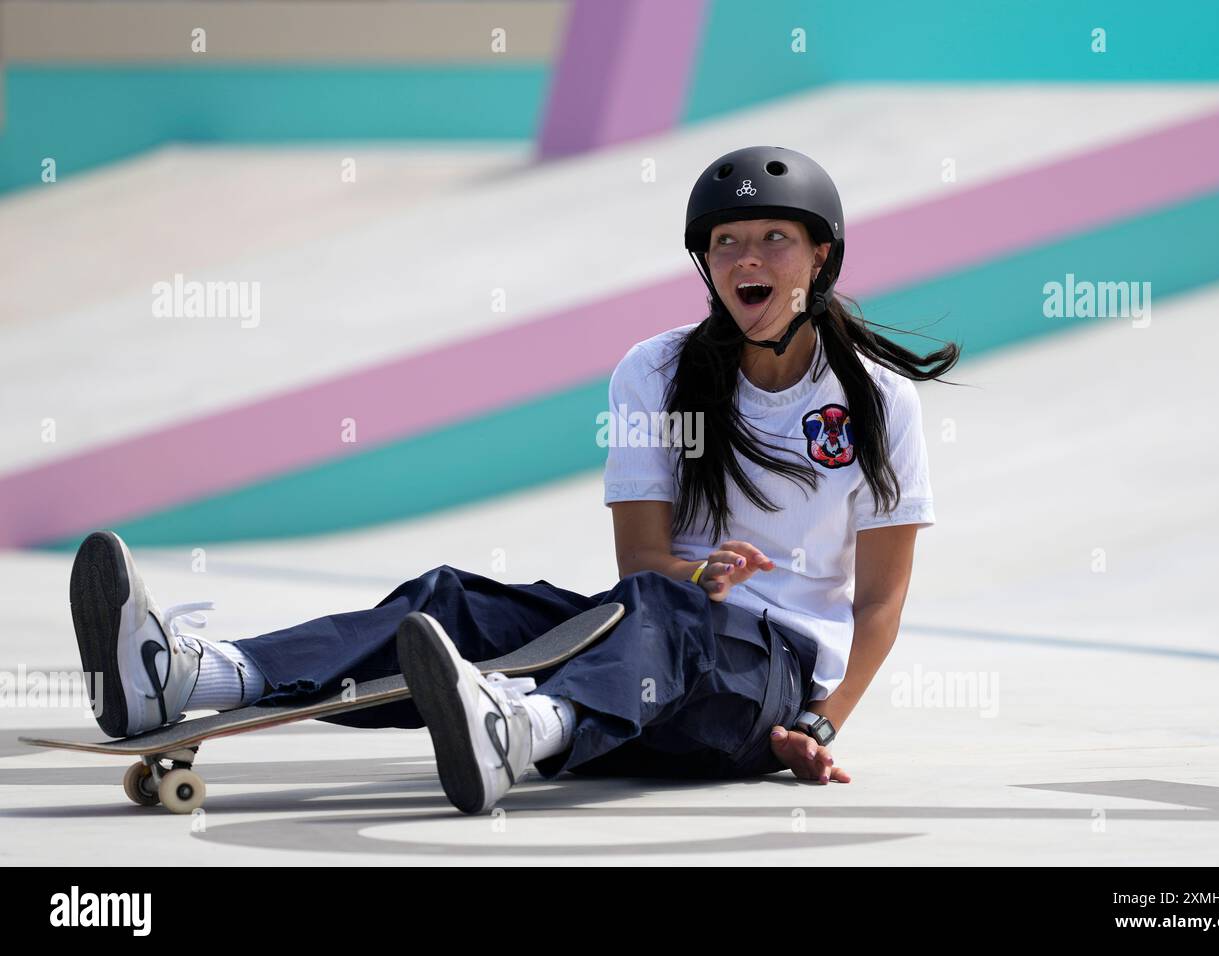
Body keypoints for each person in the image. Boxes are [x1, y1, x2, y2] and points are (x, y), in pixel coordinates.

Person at [68, 146, 960, 816]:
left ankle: (518, 730)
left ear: (820, 259)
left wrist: (824, 722)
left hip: (764, 687)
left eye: (774, 238)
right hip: (648, 647)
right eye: (726, 243)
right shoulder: (653, 373)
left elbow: (878, 602)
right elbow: (645, 565)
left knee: (661, 614)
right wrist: (697, 577)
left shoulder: (877, 404)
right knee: (453, 605)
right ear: (706, 264)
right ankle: (196, 680)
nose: (747, 259)